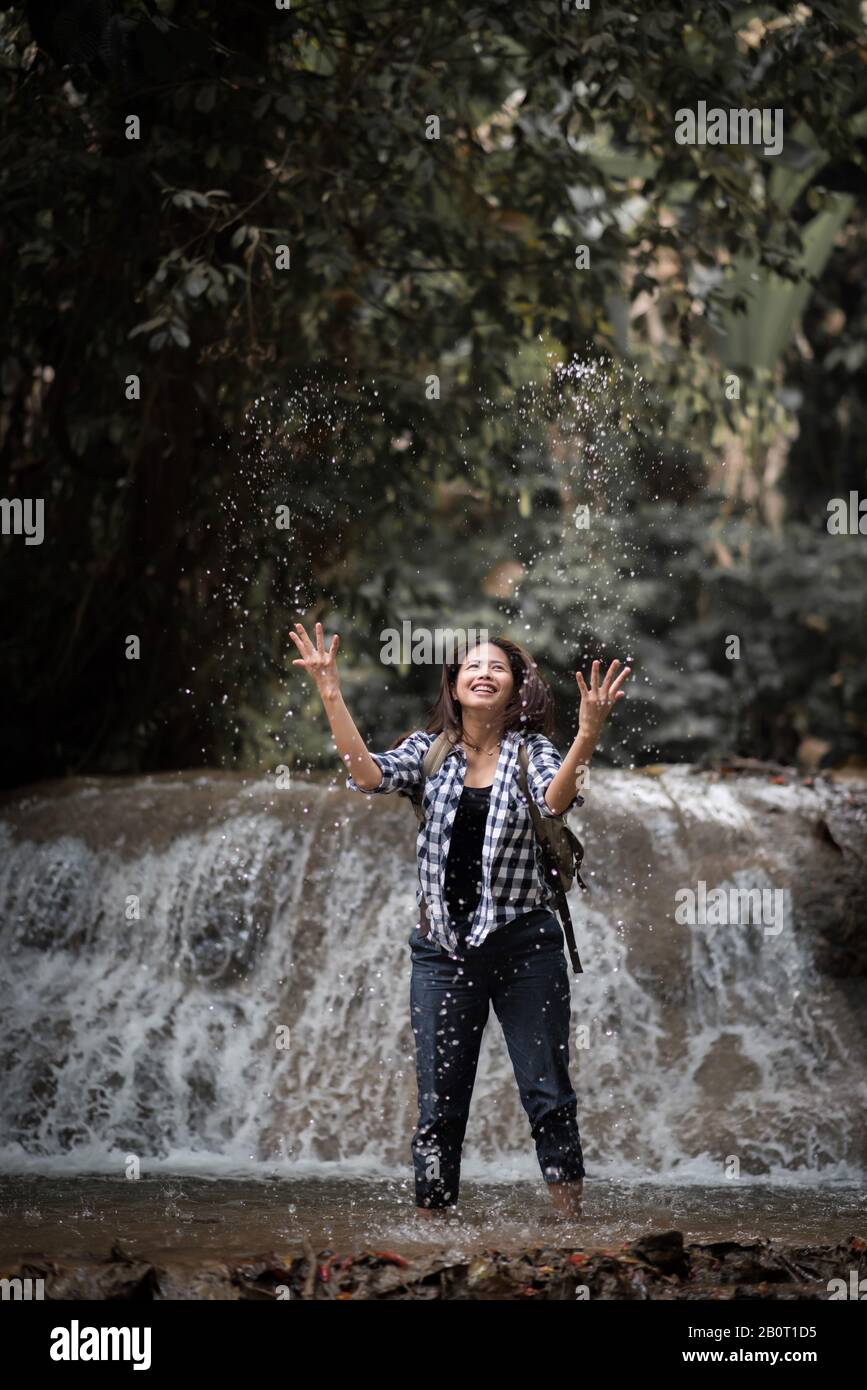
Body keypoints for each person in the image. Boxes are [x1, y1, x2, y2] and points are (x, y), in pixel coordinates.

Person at [288, 620, 630, 1221]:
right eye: (471, 666)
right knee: (440, 1106)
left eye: (497, 667)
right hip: (443, 951)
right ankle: (431, 1227)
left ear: (516, 686)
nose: (483, 673)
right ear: (454, 683)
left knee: (548, 1093)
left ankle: (571, 1227)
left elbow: (555, 799)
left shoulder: (533, 751)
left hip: (527, 946)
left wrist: (589, 730)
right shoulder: (431, 750)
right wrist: (329, 690)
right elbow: (367, 775)